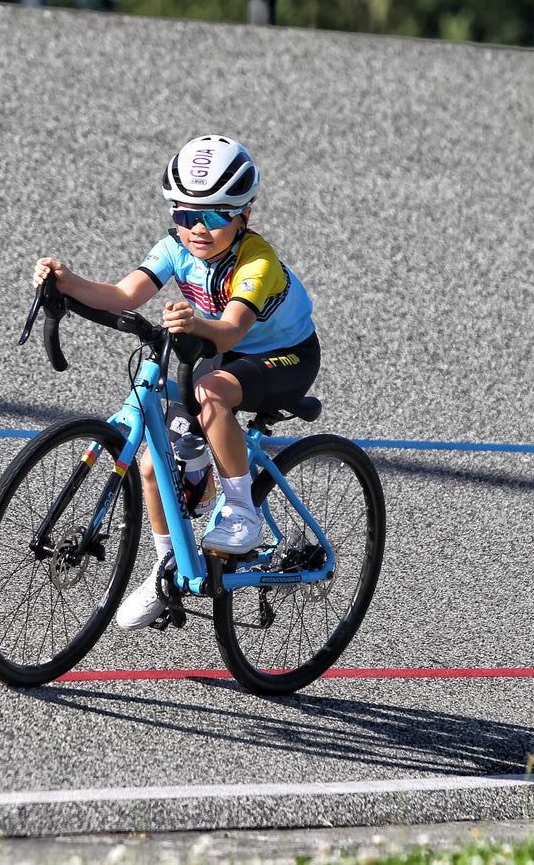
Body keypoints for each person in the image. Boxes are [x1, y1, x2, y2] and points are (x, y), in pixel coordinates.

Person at [32, 134, 320, 630]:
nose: (197, 229)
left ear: (243, 216)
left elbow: (230, 328)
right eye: (186, 216)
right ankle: (166, 570)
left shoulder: (258, 262)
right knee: (151, 464)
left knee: (212, 394)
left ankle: (241, 510)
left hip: (283, 355)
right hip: (215, 348)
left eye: (213, 216)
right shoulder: (173, 246)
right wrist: (67, 280)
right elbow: (124, 293)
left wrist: (194, 324)